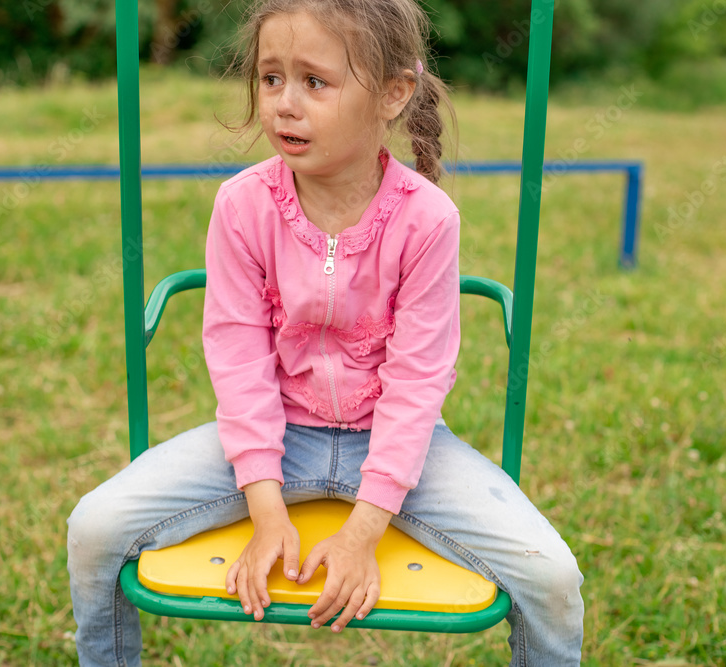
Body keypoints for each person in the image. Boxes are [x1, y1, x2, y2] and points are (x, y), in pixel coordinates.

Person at [67, 0, 584, 664]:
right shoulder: (244, 206)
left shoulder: (427, 221)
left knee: (552, 575)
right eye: (271, 78)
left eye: (315, 81)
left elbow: (417, 381)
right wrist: (265, 506)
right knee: (95, 526)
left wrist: (364, 529)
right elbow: (238, 357)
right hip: (277, 437)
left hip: (402, 450)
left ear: (394, 93)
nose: (284, 103)